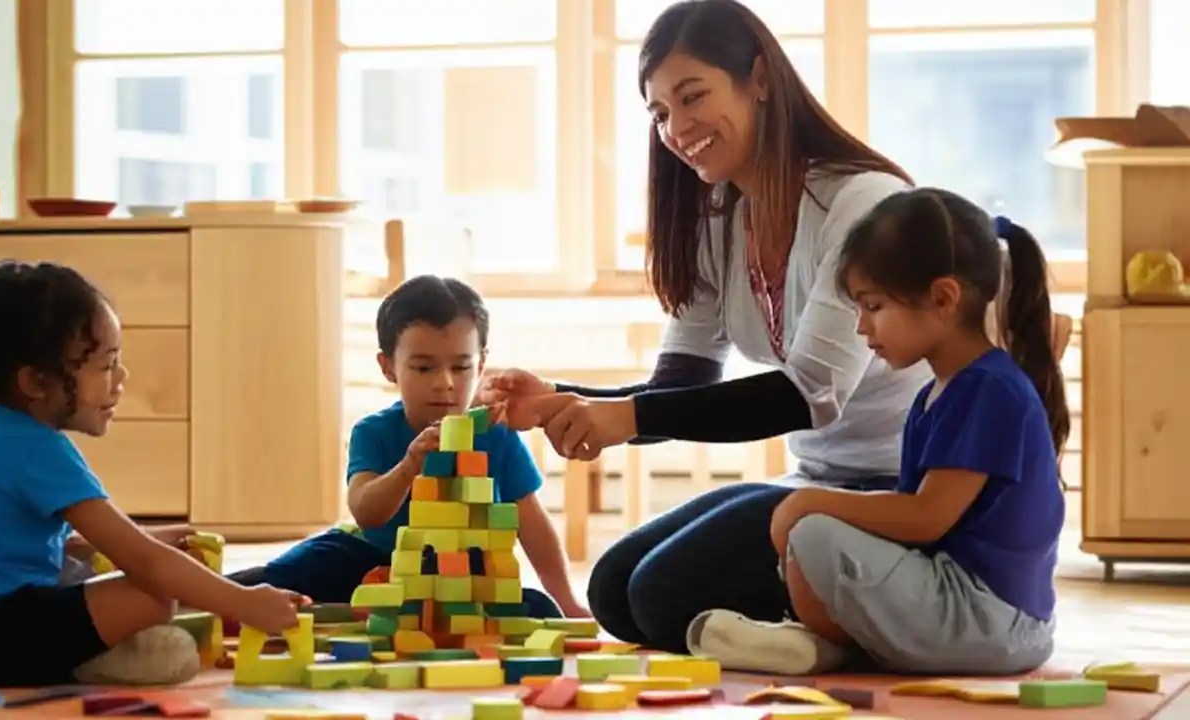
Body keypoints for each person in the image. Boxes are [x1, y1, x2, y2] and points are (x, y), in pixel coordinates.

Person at [478, 0, 930, 654]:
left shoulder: (859, 204)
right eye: (660, 113)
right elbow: (679, 383)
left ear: (760, 81)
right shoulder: (719, 220)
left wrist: (619, 418)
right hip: (816, 486)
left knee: (659, 595)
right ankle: (802, 627)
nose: (677, 127)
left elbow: (809, 395)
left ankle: (834, 635)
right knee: (612, 588)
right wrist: (562, 399)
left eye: (692, 97)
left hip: (898, 494)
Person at [685, 189, 1067, 675]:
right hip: (977, 612)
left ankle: (835, 650)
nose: (862, 327)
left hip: (991, 621)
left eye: (873, 306)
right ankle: (829, 645)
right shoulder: (941, 393)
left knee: (815, 533)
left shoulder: (988, 391)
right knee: (819, 533)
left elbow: (926, 518)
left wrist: (809, 501)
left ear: (943, 298)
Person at [0, 260, 303, 688]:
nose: (122, 378)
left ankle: (88, 645)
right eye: (105, 365)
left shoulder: (2, 430)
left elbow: (23, 546)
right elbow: (146, 563)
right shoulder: (35, 449)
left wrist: (145, 543)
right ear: (36, 382)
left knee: (134, 574)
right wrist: (245, 603)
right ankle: (92, 660)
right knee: (151, 594)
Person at [230, 275, 590, 619]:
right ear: (388, 367)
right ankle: (208, 592)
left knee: (537, 608)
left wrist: (567, 601)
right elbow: (365, 512)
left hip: (458, 571)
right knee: (296, 572)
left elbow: (532, 525)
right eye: (423, 368)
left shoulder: (497, 436)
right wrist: (409, 466)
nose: (444, 383)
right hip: (372, 557)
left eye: (461, 367)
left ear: (480, 364)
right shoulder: (374, 431)